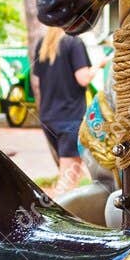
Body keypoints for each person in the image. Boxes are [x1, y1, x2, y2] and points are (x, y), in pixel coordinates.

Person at [30, 25, 93, 197]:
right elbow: (83, 78)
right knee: (67, 181)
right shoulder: (74, 42)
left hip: (49, 117)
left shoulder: (43, 44)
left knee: (72, 173)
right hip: (70, 118)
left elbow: (37, 80)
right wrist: (100, 64)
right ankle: (56, 219)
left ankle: (75, 214)